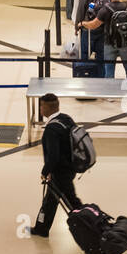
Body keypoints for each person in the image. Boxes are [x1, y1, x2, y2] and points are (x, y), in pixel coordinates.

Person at [30, 93, 82, 237]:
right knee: (51, 201)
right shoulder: (66, 118)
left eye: (41, 106)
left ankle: (88, 224)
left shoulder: (51, 130)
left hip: (61, 171)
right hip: (70, 167)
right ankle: (41, 229)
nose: (40, 109)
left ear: (46, 107)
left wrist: (45, 171)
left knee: (72, 202)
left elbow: (53, 156)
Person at [79, 0, 127, 78]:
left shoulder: (106, 9)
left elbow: (94, 25)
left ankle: (109, 91)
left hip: (110, 43)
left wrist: (82, 23)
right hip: (126, 43)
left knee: (109, 71)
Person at [73, 0, 111, 67]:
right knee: (101, 59)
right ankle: (100, 80)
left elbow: (81, 9)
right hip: (104, 28)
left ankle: (85, 79)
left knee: (84, 55)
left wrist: (77, 25)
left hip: (88, 27)